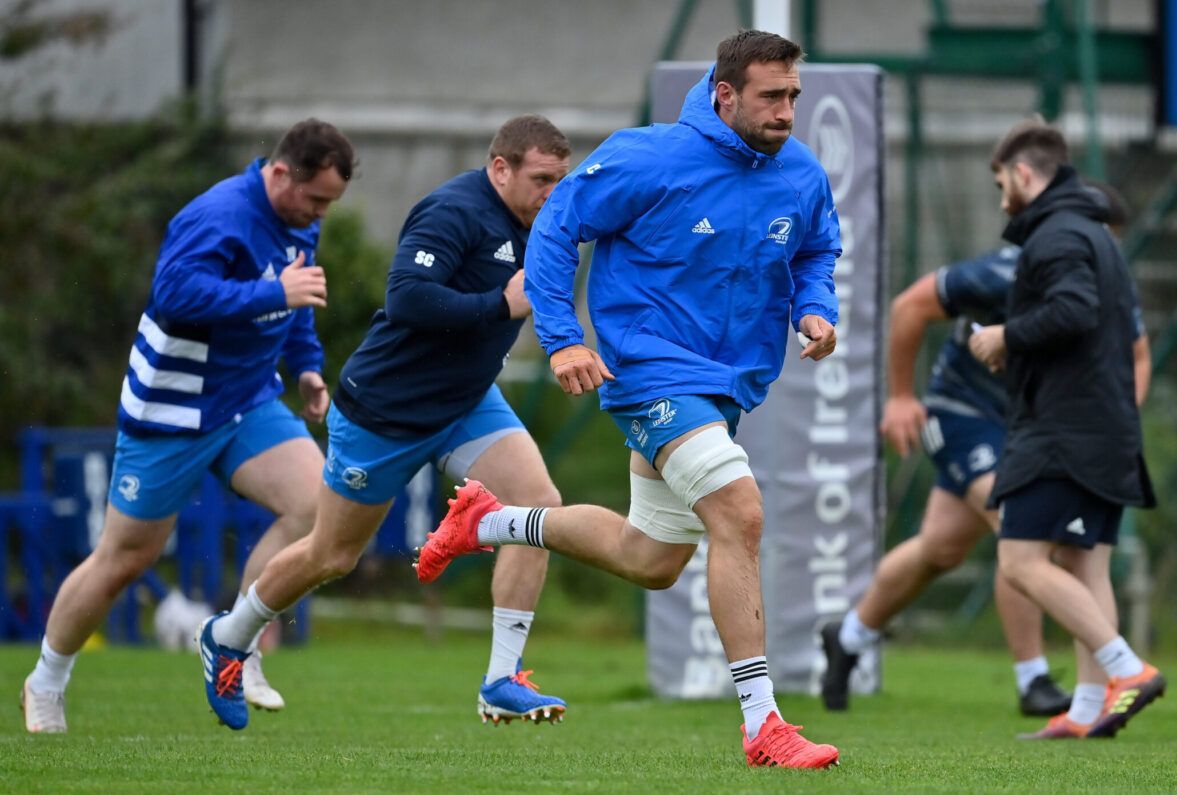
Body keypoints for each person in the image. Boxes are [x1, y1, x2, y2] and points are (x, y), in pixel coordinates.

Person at [416, 30, 841, 770]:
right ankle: (763, 723)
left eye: (794, 96)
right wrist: (563, 337)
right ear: (725, 95)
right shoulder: (648, 157)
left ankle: (490, 520)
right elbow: (556, 227)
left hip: (726, 385)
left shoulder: (800, 173)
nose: (787, 111)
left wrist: (814, 305)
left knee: (650, 559)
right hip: (649, 372)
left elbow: (814, 249)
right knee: (739, 511)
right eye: (772, 96)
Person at [197, 115, 573, 732]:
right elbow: (408, 298)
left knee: (538, 504)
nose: (553, 194)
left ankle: (502, 678)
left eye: (561, 180)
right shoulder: (453, 211)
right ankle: (229, 636)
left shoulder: (549, 220)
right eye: (541, 180)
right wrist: (499, 304)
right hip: (385, 413)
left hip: (466, 403)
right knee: (332, 553)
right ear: (500, 169)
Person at [21, 118, 356, 733]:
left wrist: (307, 369)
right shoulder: (218, 215)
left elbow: (297, 298)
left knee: (317, 507)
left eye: (330, 203)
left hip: (248, 401)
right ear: (280, 172)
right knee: (123, 558)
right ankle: (45, 681)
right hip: (174, 407)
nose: (321, 214)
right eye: (315, 199)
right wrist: (270, 293)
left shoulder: (299, 219)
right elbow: (174, 294)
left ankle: (236, 644)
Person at [819, 181, 1152, 715]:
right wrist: (901, 397)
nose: (1105, 255)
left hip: (1030, 427)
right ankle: (1034, 681)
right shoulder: (1010, 271)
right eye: (1100, 241)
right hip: (961, 414)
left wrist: (1119, 416)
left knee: (940, 548)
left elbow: (1137, 356)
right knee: (1020, 527)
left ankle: (850, 636)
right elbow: (909, 306)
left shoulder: (1108, 289)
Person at [968, 117, 1165, 739]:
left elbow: (1073, 311)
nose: (1002, 201)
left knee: (1021, 560)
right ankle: (1086, 711)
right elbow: (1096, 328)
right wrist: (1019, 349)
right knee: (1086, 567)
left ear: (1024, 175)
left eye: (1003, 183)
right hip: (1107, 428)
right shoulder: (1096, 234)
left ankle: (1126, 669)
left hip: (1063, 432)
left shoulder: (1054, 236)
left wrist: (1004, 334)